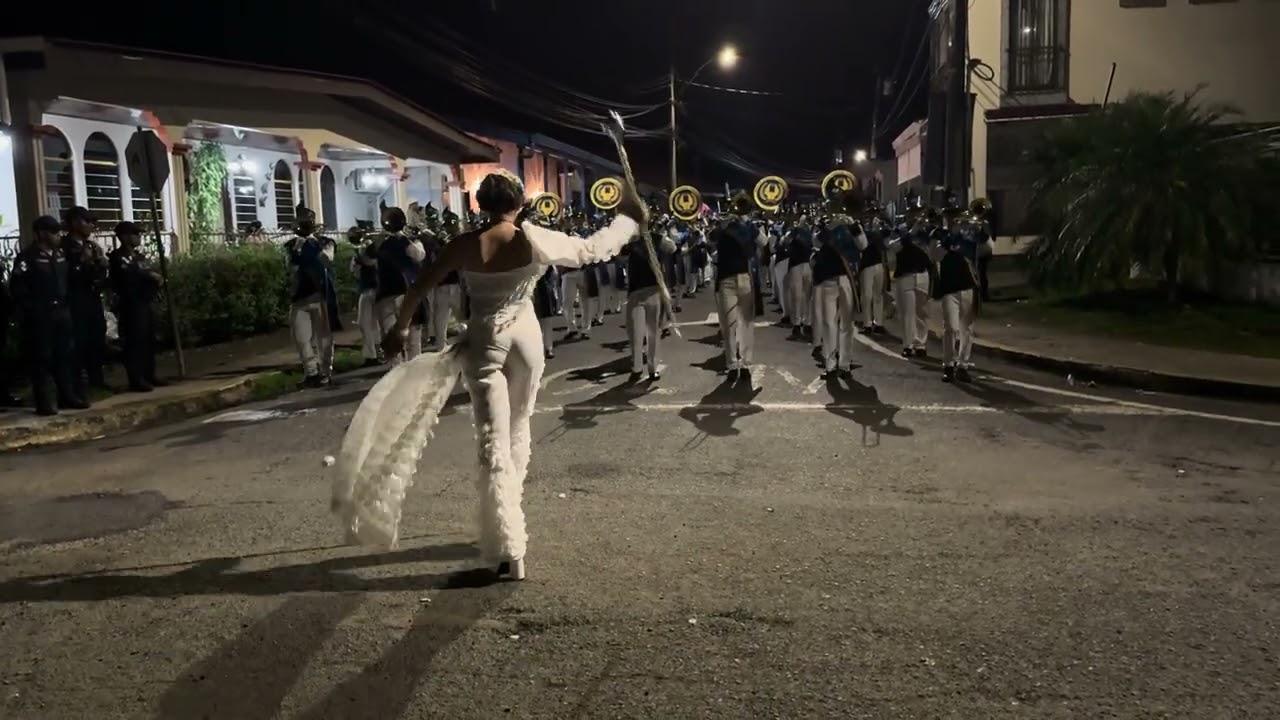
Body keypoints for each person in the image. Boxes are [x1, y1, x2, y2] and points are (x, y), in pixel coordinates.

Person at [331, 171, 645, 581]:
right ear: (518, 205)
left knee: (493, 443)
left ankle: (507, 546)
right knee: (518, 429)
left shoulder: (464, 244)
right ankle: (509, 534)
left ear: (479, 205)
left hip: (485, 342)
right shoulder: (531, 237)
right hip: (526, 340)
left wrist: (401, 328)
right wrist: (627, 220)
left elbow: (420, 286)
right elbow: (591, 250)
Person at [10, 216, 89, 415]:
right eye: (54, 232)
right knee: (42, 358)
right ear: (43, 234)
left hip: (62, 312)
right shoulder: (28, 257)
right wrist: (33, 310)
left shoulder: (60, 254)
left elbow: (69, 281)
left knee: (65, 355)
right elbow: (18, 288)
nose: (59, 236)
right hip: (41, 315)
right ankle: (44, 402)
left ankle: (67, 396)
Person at [285, 206, 341, 387]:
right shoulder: (292, 244)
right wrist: (299, 246)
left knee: (324, 337)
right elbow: (291, 267)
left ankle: (326, 371)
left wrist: (313, 243)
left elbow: (327, 260)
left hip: (320, 294)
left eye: (307, 222)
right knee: (301, 338)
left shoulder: (326, 242)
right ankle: (311, 372)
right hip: (300, 296)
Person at [108, 222, 164, 392]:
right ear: (124, 237)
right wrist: (148, 275)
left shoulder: (139, 257)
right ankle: (136, 379)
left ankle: (149, 375)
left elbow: (149, 275)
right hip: (130, 305)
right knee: (135, 341)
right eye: (135, 234)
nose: (138, 238)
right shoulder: (117, 258)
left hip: (145, 302)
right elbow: (129, 276)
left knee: (148, 340)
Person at [61, 206, 109, 391]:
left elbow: (96, 274)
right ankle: (78, 383)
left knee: (96, 339)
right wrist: (82, 261)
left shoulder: (90, 246)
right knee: (79, 342)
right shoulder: (65, 247)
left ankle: (97, 380)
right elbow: (67, 274)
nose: (90, 225)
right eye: (86, 221)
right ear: (74, 223)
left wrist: (101, 266)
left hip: (92, 297)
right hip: (75, 300)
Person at [621, 223, 676, 382]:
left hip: (653, 289)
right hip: (635, 291)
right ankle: (637, 367)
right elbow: (619, 257)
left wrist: (663, 235)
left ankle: (653, 368)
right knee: (635, 332)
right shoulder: (629, 241)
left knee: (653, 332)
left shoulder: (656, 238)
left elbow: (672, 248)